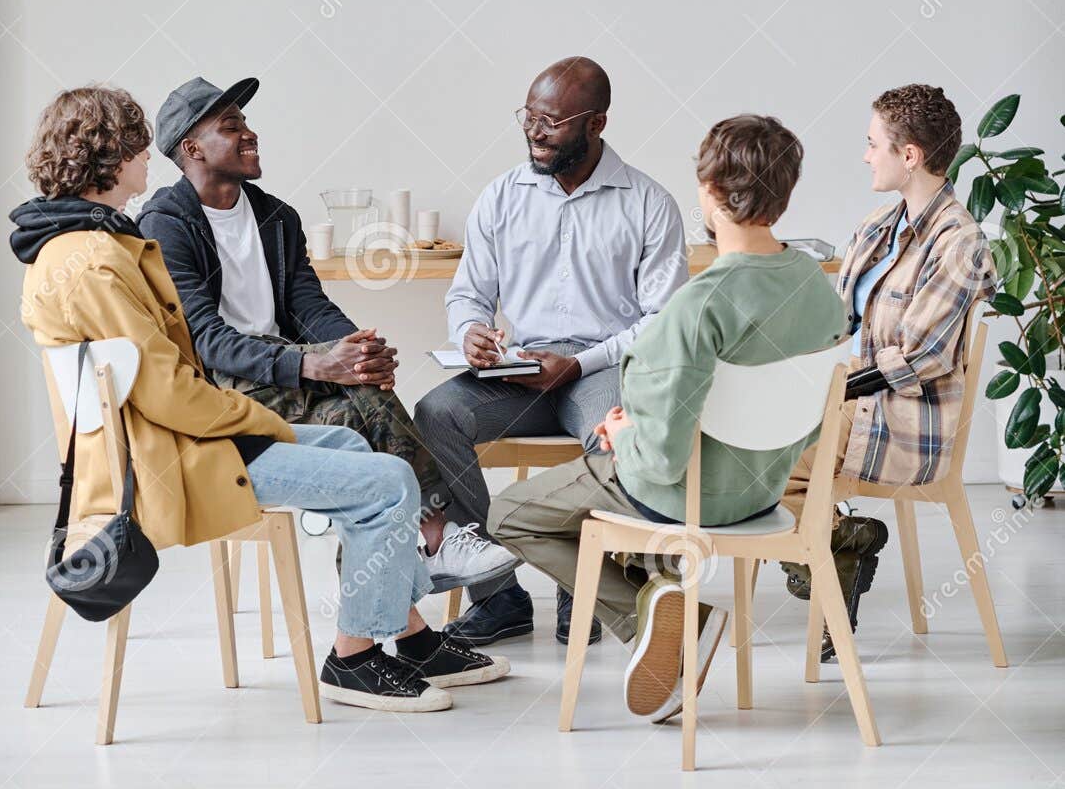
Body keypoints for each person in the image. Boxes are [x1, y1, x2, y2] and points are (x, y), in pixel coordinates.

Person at [11, 86, 510, 713]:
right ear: (112, 156)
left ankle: (409, 633)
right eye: (137, 144)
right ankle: (353, 660)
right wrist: (258, 415)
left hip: (188, 435)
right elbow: (169, 389)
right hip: (174, 454)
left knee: (358, 440)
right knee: (385, 482)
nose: (146, 156)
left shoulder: (93, 245)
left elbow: (208, 354)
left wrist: (343, 357)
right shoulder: (96, 260)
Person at [488, 114, 848, 721]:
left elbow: (658, 457)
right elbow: (808, 419)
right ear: (785, 194)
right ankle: (667, 607)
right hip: (761, 494)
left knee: (512, 515)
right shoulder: (815, 285)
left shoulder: (696, 303)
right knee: (616, 470)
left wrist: (623, 432)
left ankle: (665, 617)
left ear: (708, 193)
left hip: (681, 498)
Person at [137, 75, 516, 598]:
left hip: (285, 380)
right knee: (363, 397)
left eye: (247, 122)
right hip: (222, 390)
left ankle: (381, 598)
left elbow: (308, 306)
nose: (250, 134)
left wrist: (355, 350)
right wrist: (317, 365)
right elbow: (206, 339)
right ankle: (435, 539)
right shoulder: (166, 223)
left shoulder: (275, 216)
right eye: (232, 126)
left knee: (363, 426)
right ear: (192, 148)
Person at [415, 57, 689, 648]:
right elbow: (468, 294)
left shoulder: (647, 202)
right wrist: (472, 333)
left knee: (612, 433)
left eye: (553, 121)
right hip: (524, 369)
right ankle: (498, 596)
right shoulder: (502, 196)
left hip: (606, 366)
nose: (535, 132)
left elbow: (663, 321)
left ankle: (582, 586)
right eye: (529, 117)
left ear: (596, 124)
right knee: (435, 412)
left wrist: (580, 364)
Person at [780, 83, 996, 658]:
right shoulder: (880, 225)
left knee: (763, 463)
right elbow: (839, 322)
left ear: (910, 155)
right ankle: (843, 547)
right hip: (859, 401)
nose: (865, 155)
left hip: (907, 417)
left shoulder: (963, 243)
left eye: (873, 143)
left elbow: (920, 358)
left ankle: (837, 555)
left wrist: (833, 392)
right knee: (752, 447)